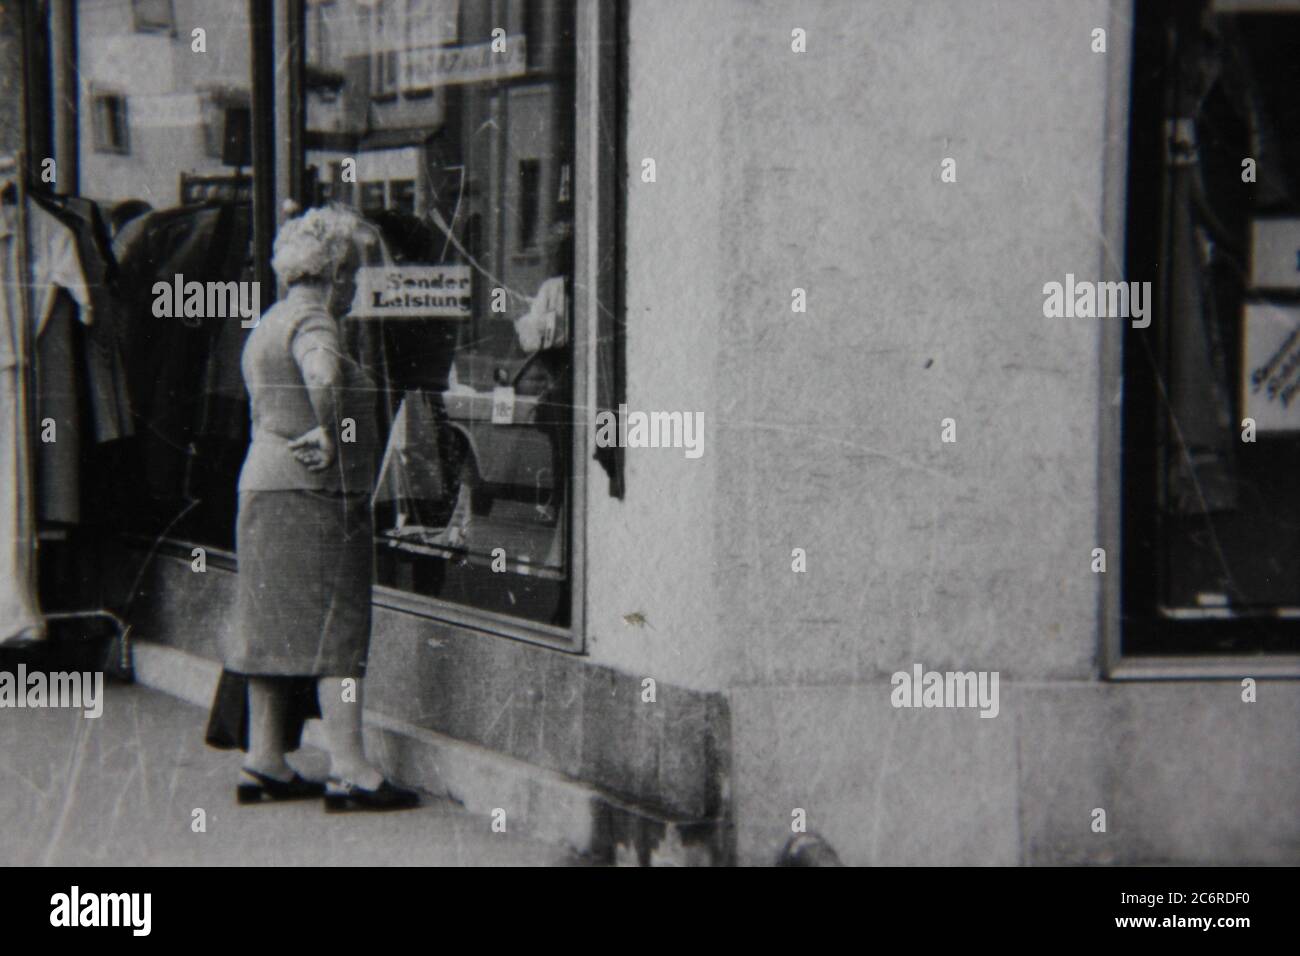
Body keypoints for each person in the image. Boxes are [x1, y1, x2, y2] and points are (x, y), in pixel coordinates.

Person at [208, 205, 418, 812]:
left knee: (270, 630)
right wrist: (332, 432)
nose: (360, 284)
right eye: (356, 270)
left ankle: (265, 761)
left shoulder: (270, 319)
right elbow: (323, 376)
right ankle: (350, 769)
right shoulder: (314, 322)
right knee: (338, 626)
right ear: (338, 269)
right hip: (313, 493)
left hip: (262, 486)